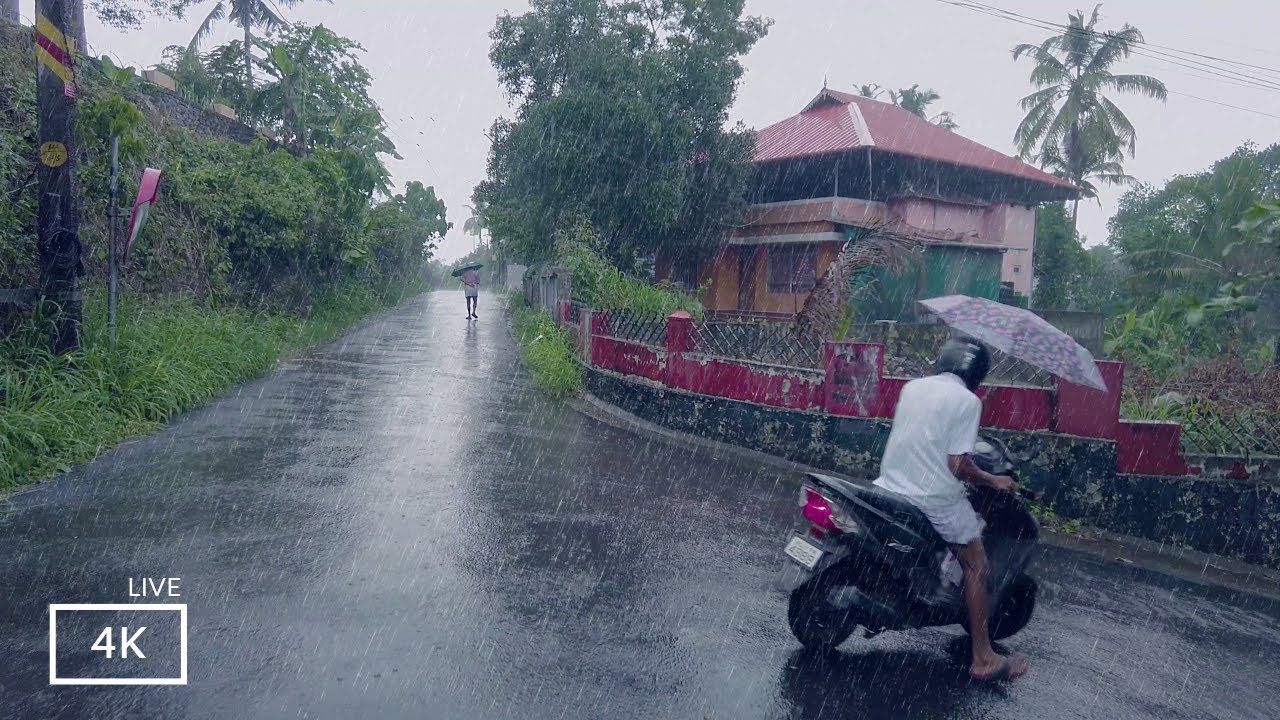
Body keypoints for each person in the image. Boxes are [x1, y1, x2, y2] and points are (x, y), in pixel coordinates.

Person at [872, 335, 1028, 682]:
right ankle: (983, 657)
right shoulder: (968, 401)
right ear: (977, 374)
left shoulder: (913, 388)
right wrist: (992, 480)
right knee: (977, 564)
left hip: (891, 485)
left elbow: (924, 434)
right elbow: (958, 464)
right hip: (933, 496)